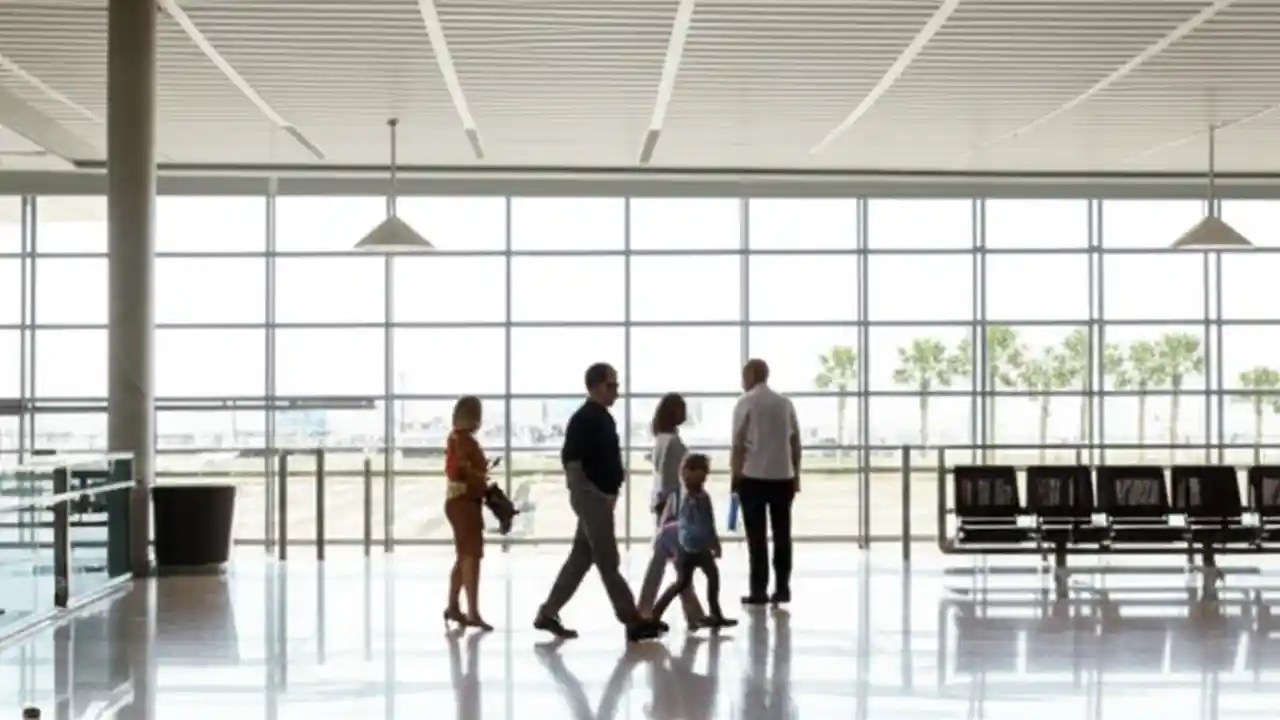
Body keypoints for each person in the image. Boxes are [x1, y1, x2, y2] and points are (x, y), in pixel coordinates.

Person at [533, 362, 663, 642]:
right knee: (608, 560)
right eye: (611, 385)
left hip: (599, 497)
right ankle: (632, 619)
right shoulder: (584, 419)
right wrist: (590, 495)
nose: (616, 391)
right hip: (593, 498)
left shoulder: (602, 417)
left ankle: (548, 612)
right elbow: (572, 461)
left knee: (581, 559)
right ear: (595, 386)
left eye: (616, 385)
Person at [731, 358, 801, 606]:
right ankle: (783, 588)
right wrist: (797, 475)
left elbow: (738, 443)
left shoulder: (745, 402)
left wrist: (735, 476)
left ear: (751, 375)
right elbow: (795, 442)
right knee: (783, 535)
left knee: (757, 539)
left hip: (753, 477)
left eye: (743, 375)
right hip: (783, 476)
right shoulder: (785, 403)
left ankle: (758, 591)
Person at [637, 393, 707, 625]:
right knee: (675, 560)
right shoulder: (673, 443)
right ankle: (650, 609)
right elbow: (673, 480)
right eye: (682, 408)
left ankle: (691, 612)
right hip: (672, 506)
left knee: (675, 561)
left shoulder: (661, 438)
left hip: (662, 504)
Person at [649, 453, 737, 629]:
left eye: (705, 473)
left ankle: (715, 613)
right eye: (699, 471)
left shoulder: (703, 497)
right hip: (686, 548)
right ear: (687, 472)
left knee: (711, 576)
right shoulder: (682, 496)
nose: (703, 476)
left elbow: (709, 522)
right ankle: (655, 613)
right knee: (682, 582)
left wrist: (715, 543)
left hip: (701, 547)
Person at [443, 395, 493, 631]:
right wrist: (482, 477)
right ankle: (472, 611)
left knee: (465, 557)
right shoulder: (466, 442)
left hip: (458, 502)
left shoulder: (455, 438)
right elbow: (467, 471)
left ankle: (454, 606)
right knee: (471, 558)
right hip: (465, 503)